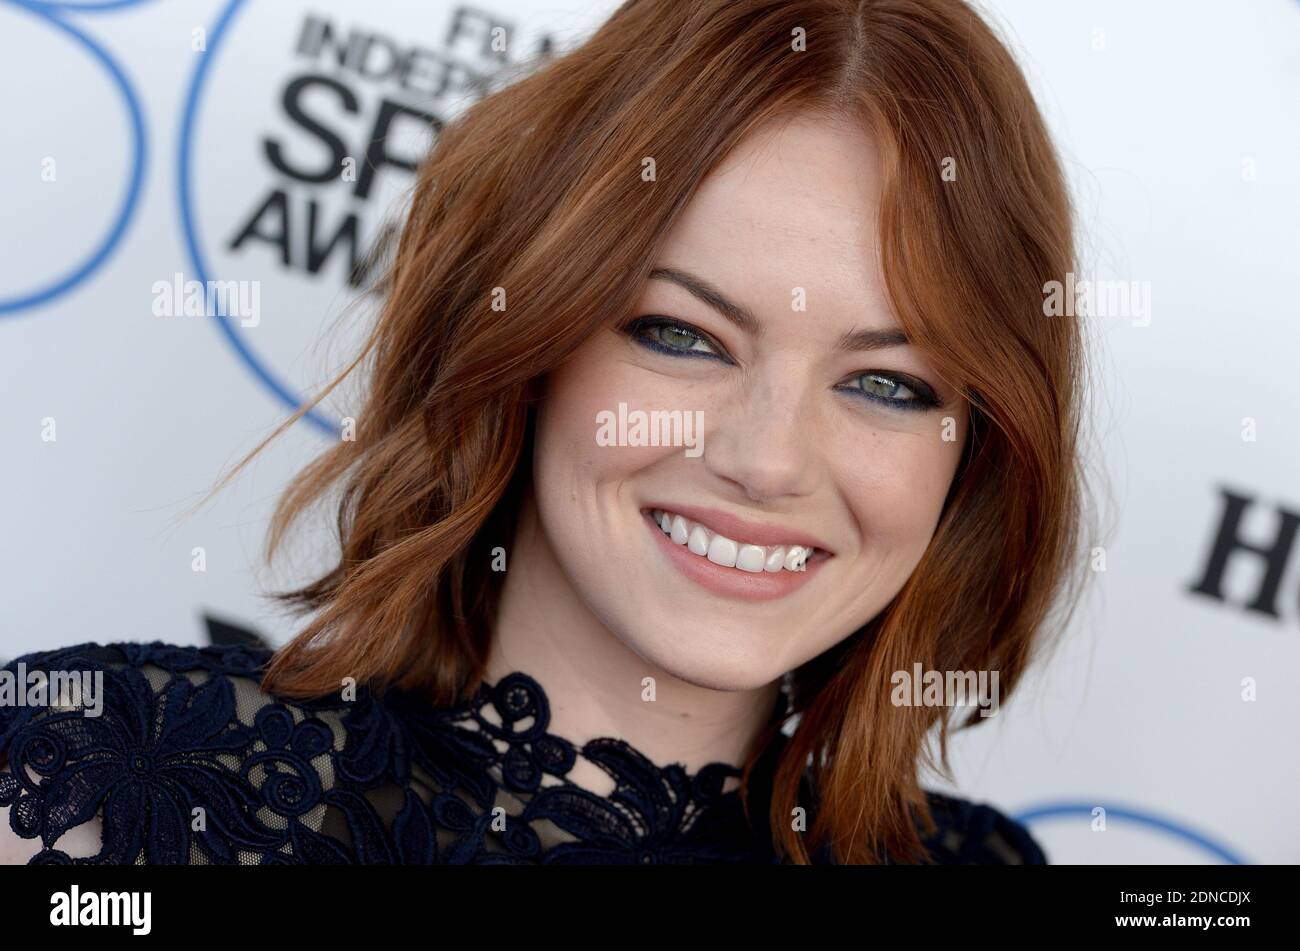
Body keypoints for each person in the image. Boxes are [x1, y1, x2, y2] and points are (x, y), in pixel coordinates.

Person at [1, 0, 1088, 865]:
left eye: (889, 385)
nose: (767, 460)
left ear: (976, 453)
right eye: (684, 335)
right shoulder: (95, 789)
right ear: (531, 343)